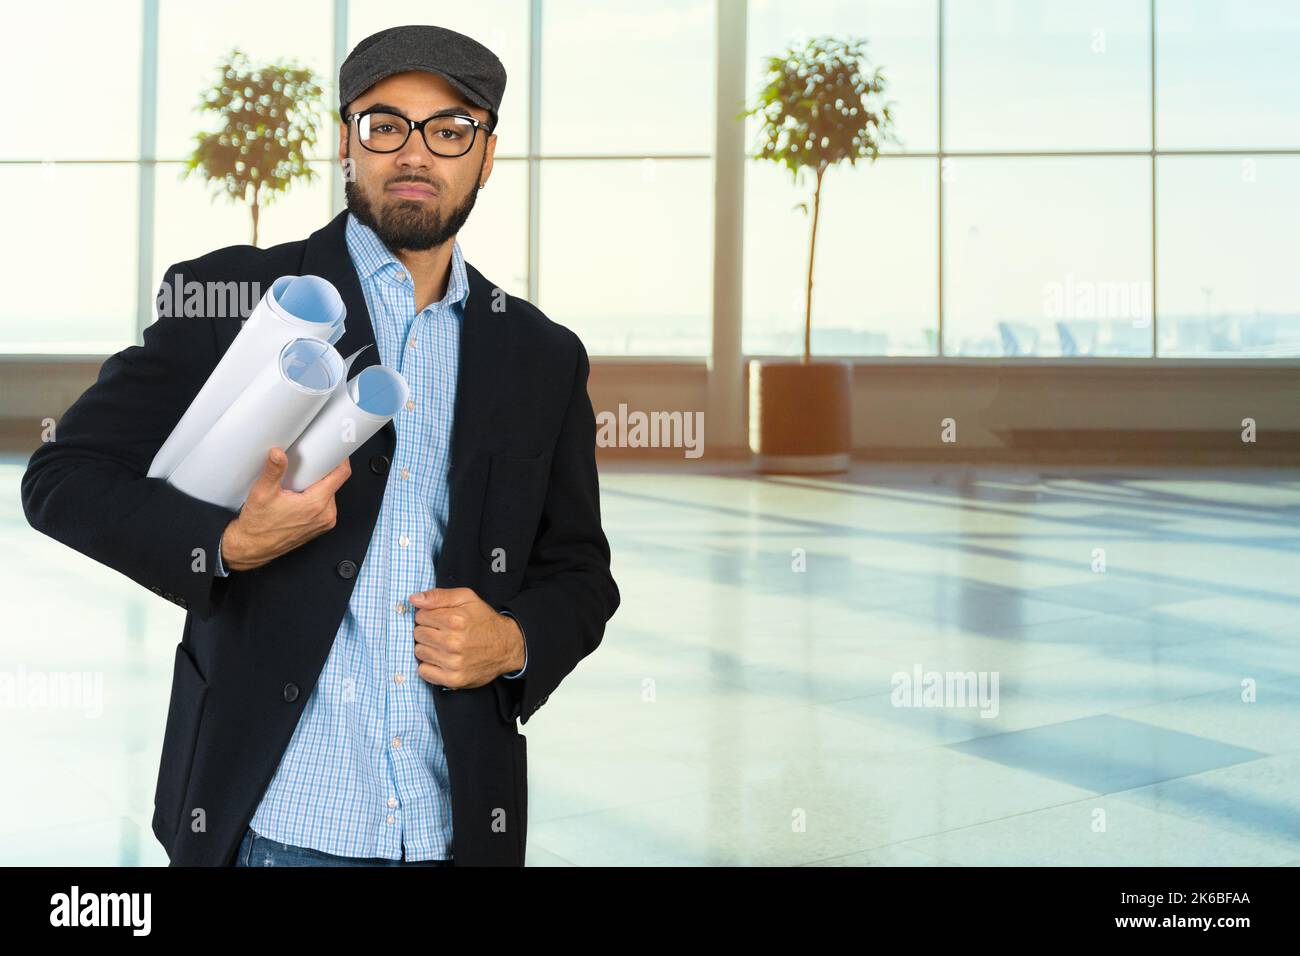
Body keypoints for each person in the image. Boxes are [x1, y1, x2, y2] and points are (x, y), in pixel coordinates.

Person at [21, 23, 619, 867]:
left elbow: (580, 572)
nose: (415, 153)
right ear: (346, 141)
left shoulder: (540, 354)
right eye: (385, 124)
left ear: (486, 157)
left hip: (458, 827)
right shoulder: (234, 297)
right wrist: (222, 545)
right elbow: (62, 478)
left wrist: (514, 641)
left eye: (450, 130)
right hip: (274, 824)